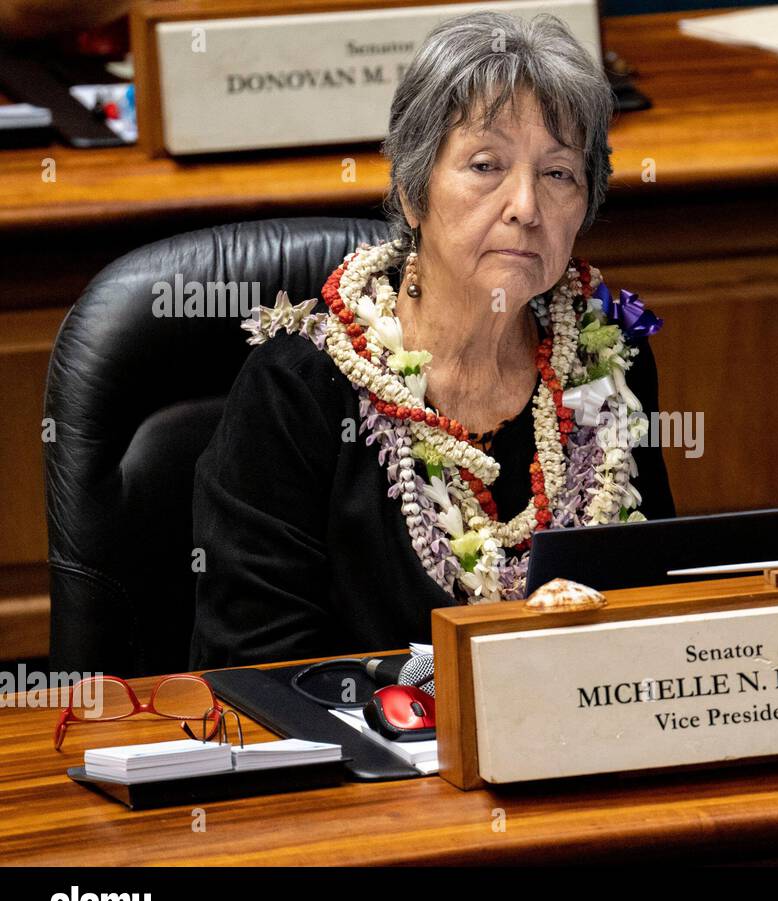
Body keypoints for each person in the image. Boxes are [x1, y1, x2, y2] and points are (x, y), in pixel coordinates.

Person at [190, 11, 675, 668]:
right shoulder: (300, 391)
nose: (525, 206)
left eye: (558, 173)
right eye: (485, 165)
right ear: (412, 192)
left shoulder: (607, 360)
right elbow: (257, 668)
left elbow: (657, 601)